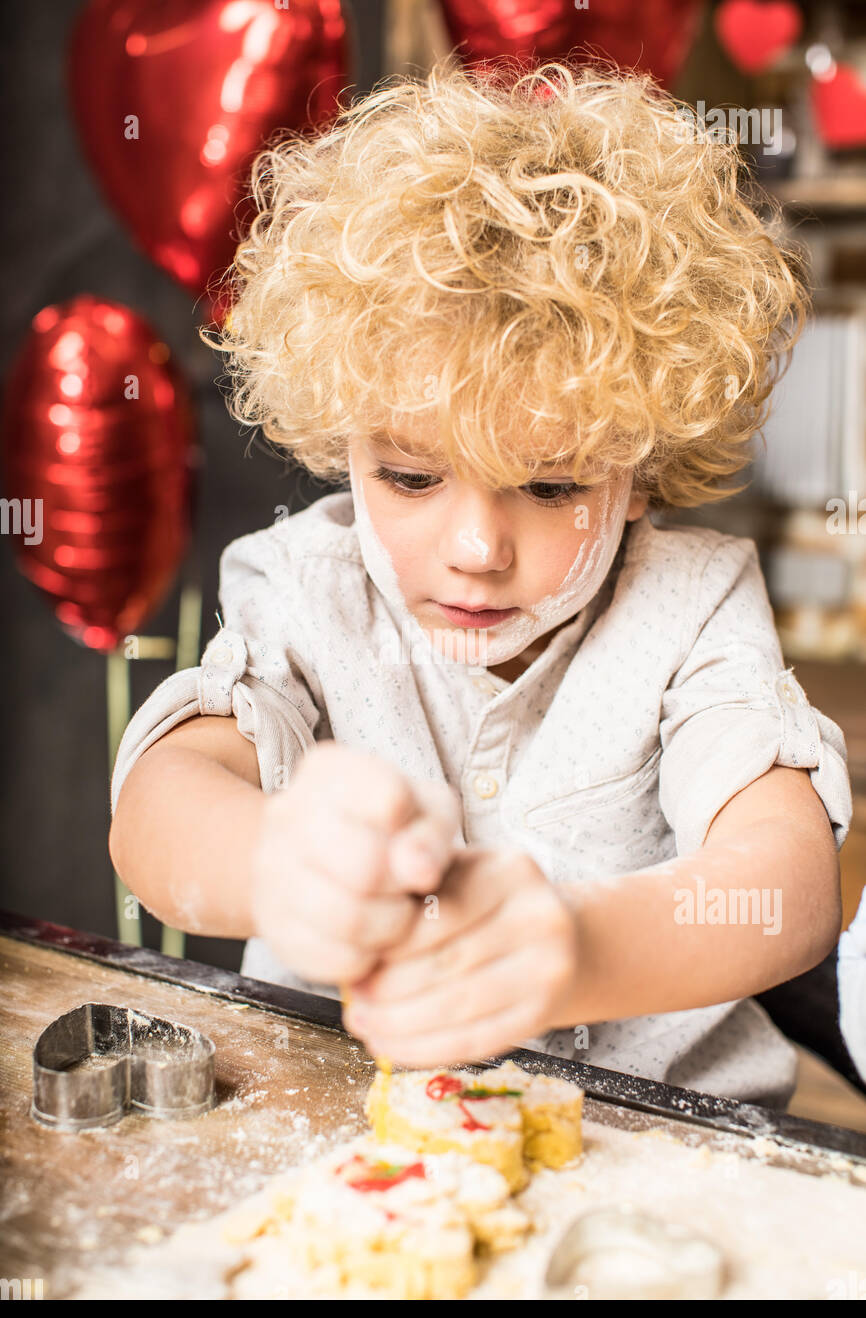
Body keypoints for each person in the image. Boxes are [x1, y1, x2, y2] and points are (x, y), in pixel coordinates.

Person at [108, 57, 853, 1108]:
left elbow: (786, 889)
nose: (474, 546)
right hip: (346, 1149)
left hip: (662, 1163)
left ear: (640, 470)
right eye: (410, 476)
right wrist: (271, 858)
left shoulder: (690, 604)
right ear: (344, 440)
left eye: (549, 485)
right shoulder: (305, 585)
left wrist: (579, 950)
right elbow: (154, 820)